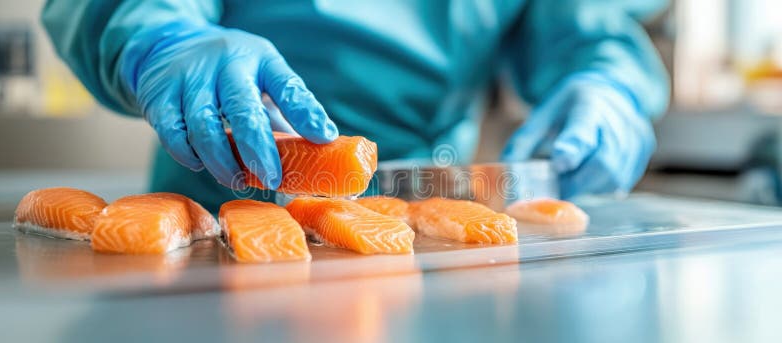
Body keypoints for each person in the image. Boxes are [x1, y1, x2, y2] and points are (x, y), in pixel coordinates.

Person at [42, 0, 669, 211]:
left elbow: (580, 22)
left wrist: (607, 83)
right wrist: (160, 39)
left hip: (427, 228)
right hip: (220, 216)